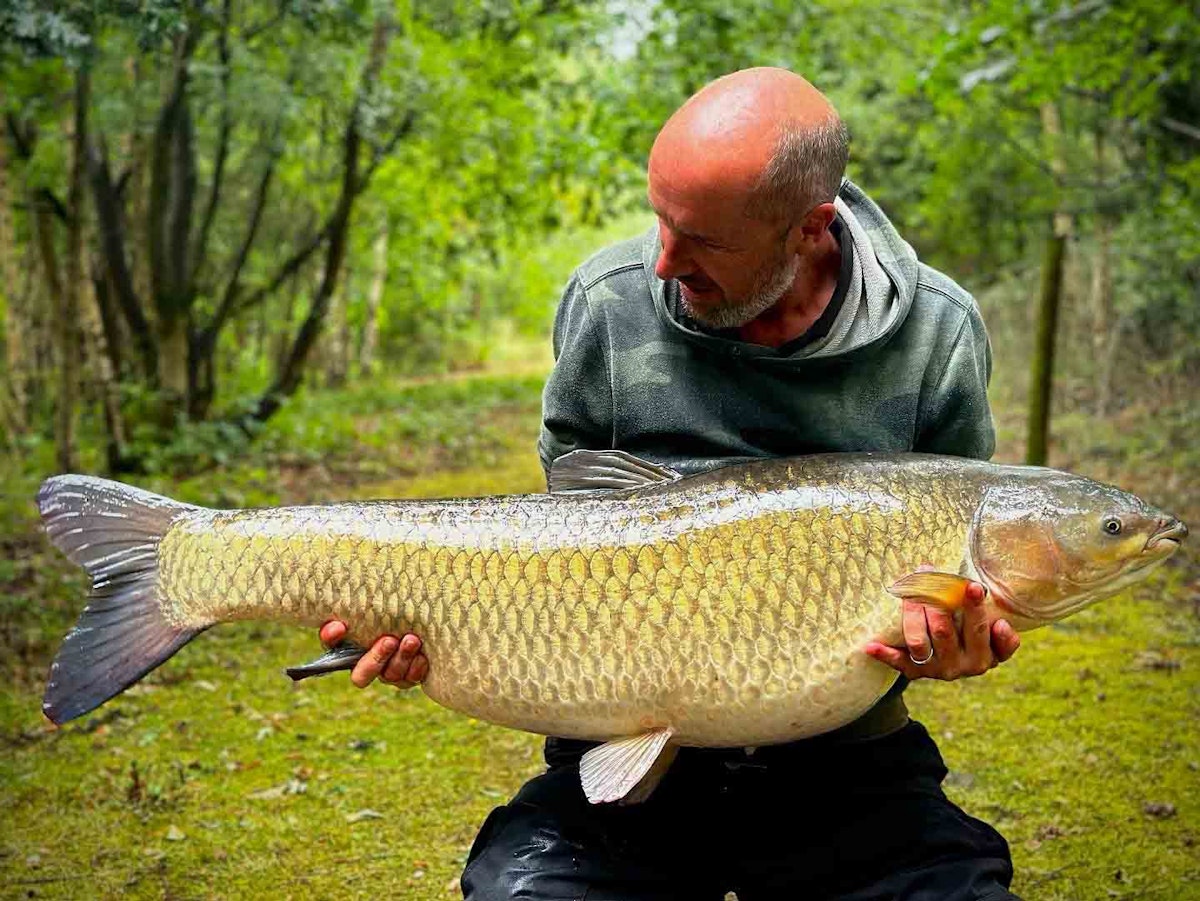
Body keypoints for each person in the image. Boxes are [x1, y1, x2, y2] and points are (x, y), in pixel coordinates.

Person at [320, 68, 1023, 899]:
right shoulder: (609, 302)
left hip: (844, 757)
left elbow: (967, 573)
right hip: (616, 745)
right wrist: (426, 628)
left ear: (808, 229)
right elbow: (569, 537)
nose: (663, 260)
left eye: (705, 241)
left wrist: (952, 643)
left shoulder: (937, 332)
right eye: (661, 220)